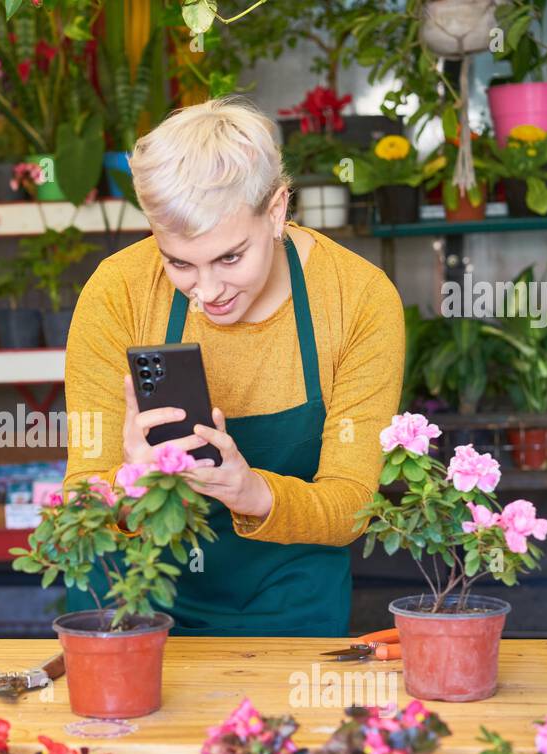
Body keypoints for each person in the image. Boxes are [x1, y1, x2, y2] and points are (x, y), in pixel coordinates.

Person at [63, 96, 405, 637]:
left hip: (288, 602)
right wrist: (129, 482)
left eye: (229, 257)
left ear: (276, 210)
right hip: (136, 602)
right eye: (179, 262)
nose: (208, 291)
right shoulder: (117, 292)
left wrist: (253, 493)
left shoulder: (358, 299)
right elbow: (79, 508)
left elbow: (354, 503)